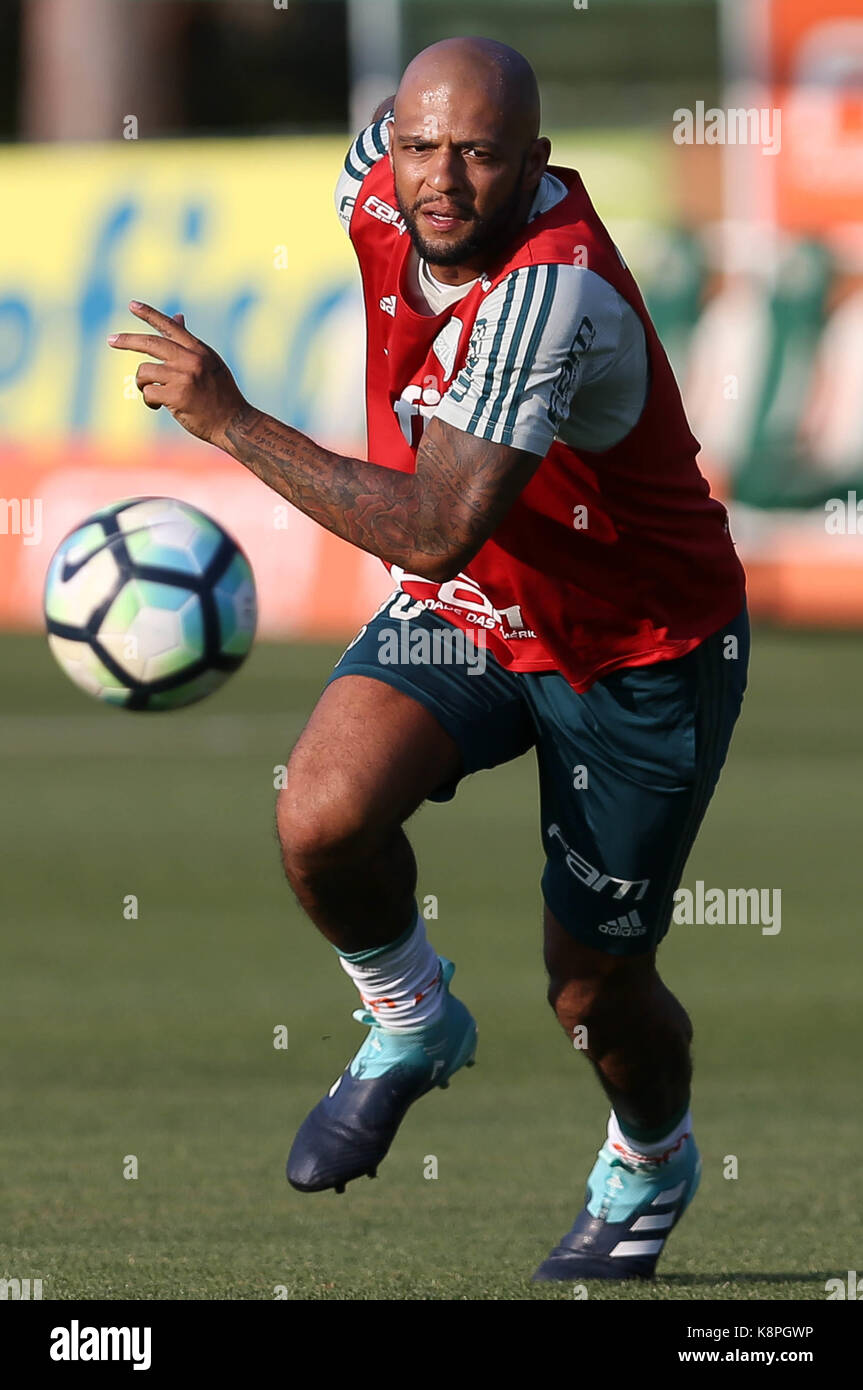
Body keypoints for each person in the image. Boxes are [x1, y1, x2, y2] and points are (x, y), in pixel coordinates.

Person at [108, 35, 748, 1282]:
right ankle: (409, 1023)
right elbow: (454, 557)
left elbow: (433, 526)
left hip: (630, 653)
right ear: (385, 142)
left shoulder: (550, 293)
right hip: (475, 610)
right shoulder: (382, 181)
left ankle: (651, 1155)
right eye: (417, 146)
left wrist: (229, 420)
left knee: (591, 996)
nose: (440, 180)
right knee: (318, 813)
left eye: (478, 154)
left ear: (536, 163)